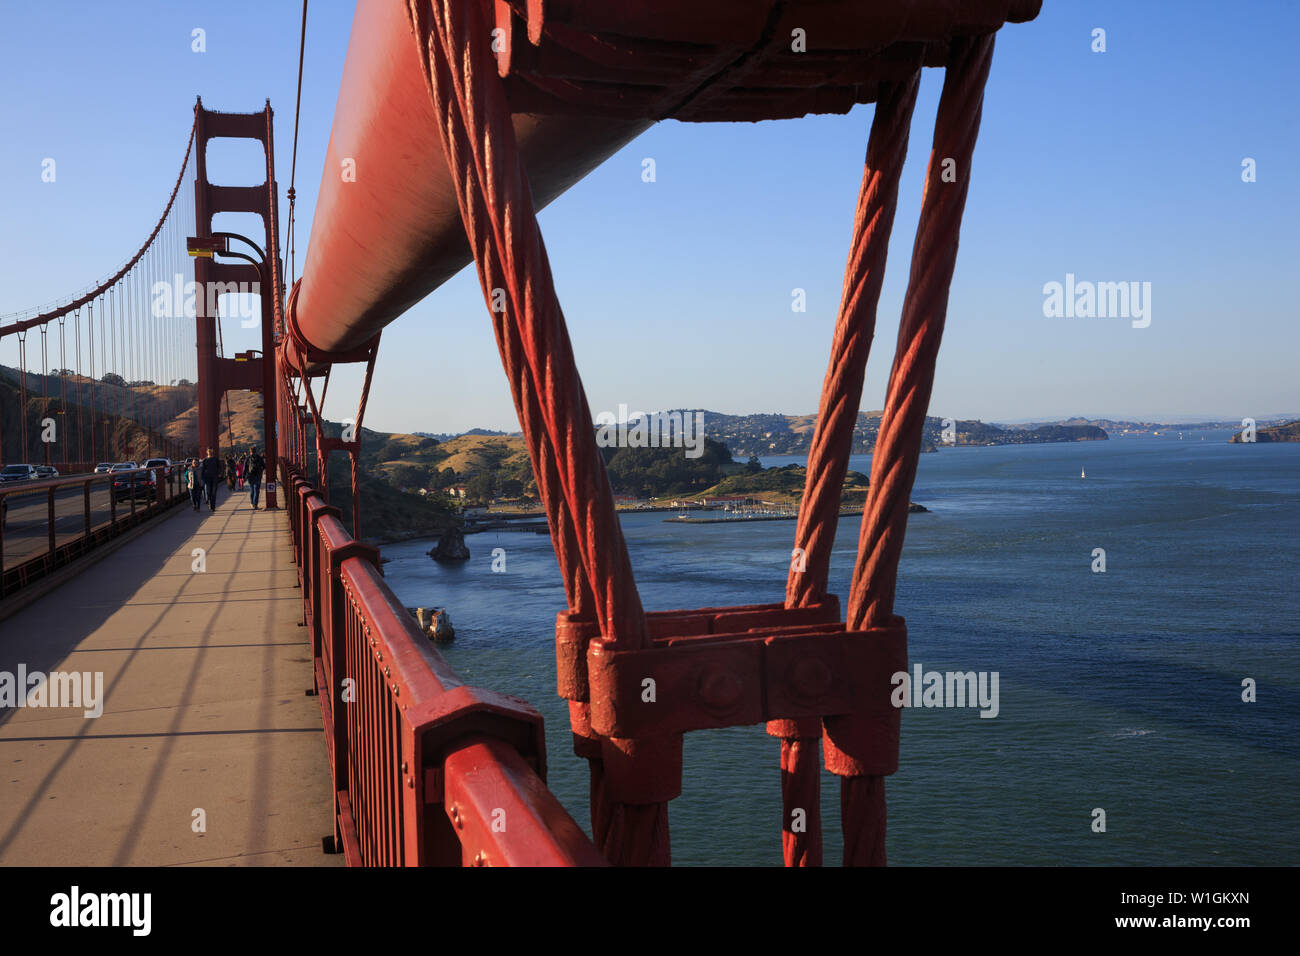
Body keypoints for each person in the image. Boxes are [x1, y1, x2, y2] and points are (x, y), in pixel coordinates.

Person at [200, 448, 222, 513]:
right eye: (209, 451)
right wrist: (202, 478)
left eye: (211, 451)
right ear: (207, 452)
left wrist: (219, 473)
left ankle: (213, 506)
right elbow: (202, 470)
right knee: (208, 492)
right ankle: (209, 502)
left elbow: (219, 467)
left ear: (212, 451)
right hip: (207, 478)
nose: (210, 452)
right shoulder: (205, 460)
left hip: (214, 478)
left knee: (214, 493)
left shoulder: (216, 459)